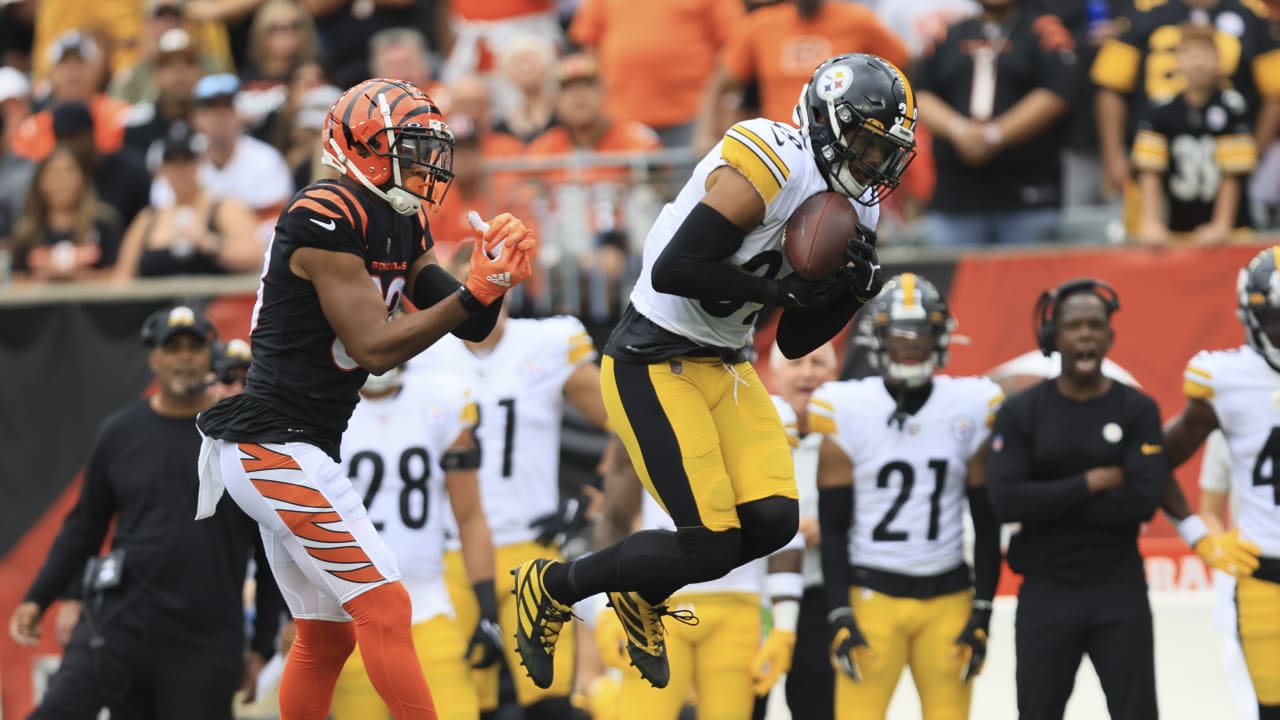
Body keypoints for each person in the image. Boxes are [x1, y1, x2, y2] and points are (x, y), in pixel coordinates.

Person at [510, 52, 908, 692]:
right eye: (863, 140)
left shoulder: (858, 208)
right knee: (710, 544)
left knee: (775, 522)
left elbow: (802, 338)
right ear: (829, 123)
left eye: (883, 149)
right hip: (652, 355)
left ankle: (640, 594)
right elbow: (675, 267)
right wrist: (789, 295)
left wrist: (851, 293)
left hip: (727, 362)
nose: (872, 162)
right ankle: (554, 585)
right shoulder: (771, 158)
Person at [191, 78, 539, 720]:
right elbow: (375, 347)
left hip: (293, 448)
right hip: (275, 447)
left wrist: (489, 281)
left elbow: (471, 327)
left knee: (327, 637)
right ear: (363, 147)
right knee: (385, 607)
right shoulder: (324, 213)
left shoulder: (401, 219)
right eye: (412, 147)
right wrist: (473, 292)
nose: (429, 163)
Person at [7, 305, 284, 719]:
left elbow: (269, 553)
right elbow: (84, 527)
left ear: (211, 356)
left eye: (195, 346)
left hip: (203, 643)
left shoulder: (240, 443)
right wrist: (40, 598)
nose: (184, 357)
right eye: (172, 348)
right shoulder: (120, 433)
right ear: (152, 358)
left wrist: (262, 646)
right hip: (119, 625)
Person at [408, 269, 610, 720]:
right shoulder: (423, 352)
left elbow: (624, 426)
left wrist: (593, 498)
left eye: (492, 286)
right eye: (471, 286)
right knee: (456, 705)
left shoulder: (548, 342)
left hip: (529, 546)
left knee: (552, 704)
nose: (483, 298)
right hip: (447, 554)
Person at [811, 273, 1004, 720]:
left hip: (950, 596)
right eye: (900, 337)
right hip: (872, 595)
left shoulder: (971, 404)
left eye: (922, 336)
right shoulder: (846, 407)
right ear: (878, 339)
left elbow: (987, 517)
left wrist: (984, 608)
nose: (912, 347)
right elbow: (834, 524)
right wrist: (839, 610)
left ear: (941, 338)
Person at [986, 278, 1164, 720]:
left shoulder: (1138, 411)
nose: (1085, 334)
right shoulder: (1020, 412)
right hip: (1047, 592)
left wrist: (1046, 498)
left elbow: (1142, 501)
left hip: (1118, 590)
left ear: (1110, 335)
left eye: (1095, 325)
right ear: (1053, 336)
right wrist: (1090, 483)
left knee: (1137, 712)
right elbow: (1007, 502)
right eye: (1073, 325)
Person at [590, 402, 805, 720]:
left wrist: (784, 627)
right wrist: (605, 608)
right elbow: (615, 516)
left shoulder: (767, 408)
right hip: (658, 599)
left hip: (736, 603)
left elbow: (783, 525)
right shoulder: (640, 398)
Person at [331, 367, 499, 720]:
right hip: (350, 612)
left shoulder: (441, 400)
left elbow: (469, 517)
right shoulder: (321, 407)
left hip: (427, 605)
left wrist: (488, 609)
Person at [1161, 246, 1280, 719]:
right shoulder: (1225, 378)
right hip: (1265, 576)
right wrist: (1198, 535)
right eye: (1276, 318)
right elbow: (1151, 459)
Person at [913, 0, 1077, 247]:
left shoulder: (1044, 30)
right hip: (956, 197)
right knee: (952, 283)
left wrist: (996, 134)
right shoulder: (948, 32)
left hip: (1027, 193)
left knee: (1028, 283)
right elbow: (919, 92)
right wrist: (959, 131)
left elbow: (1057, 92)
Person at [1132, 21, 1257, 246]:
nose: (1198, 62)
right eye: (1189, 53)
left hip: (1233, 232)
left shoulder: (1233, 108)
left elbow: (1233, 174)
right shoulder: (1160, 110)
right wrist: (1151, 222)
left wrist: (1221, 225)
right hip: (1177, 230)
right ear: (1176, 61)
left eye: (1205, 53)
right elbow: (1150, 170)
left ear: (1220, 61)